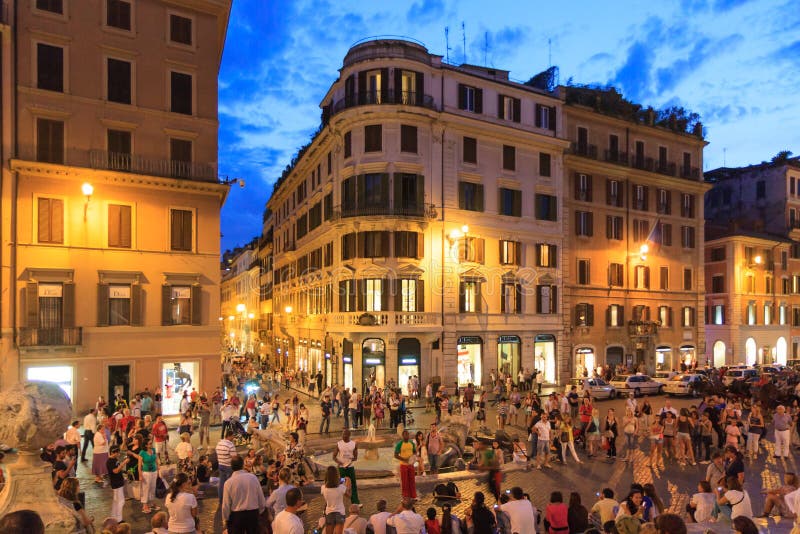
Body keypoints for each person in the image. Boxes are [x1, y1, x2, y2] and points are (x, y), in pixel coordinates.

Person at [222, 455, 266, 534]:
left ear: (232, 467)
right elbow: (261, 498)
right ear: (242, 465)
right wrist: (260, 511)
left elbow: (226, 505)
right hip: (253, 514)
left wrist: (226, 519)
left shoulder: (228, 483)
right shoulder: (253, 478)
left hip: (237, 517)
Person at [127, 435, 159, 514]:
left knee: (152, 487)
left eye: (151, 443)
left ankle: (151, 503)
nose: (151, 444)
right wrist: (140, 475)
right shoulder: (142, 452)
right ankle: (144, 505)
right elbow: (139, 465)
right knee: (145, 489)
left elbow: (157, 459)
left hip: (154, 471)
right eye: (150, 443)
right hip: (146, 472)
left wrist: (158, 468)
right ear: (146, 445)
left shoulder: (153, 450)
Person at [322, 465, 351, 534]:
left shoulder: (323, 488)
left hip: (329, 512)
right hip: (340, 512)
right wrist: (348, 483)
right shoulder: (341, 488)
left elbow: (328, 483)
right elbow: (349, 495)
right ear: (337, 476)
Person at [333, 429, 359, 504]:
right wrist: (339, 463)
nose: (343, 436)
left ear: (349, 435)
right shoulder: (339, 444)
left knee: (353, 484)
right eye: (342, 435)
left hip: (350, 468)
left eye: (345, 435)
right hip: (342, 469)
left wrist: (351, 461)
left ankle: (355, 502)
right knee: (341, 483)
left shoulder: (354, 444)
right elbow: (334, 457)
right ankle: (339, 501)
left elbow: (356, 457)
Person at [106, 446, 129, 522]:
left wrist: (125, 472)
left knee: (116, 501)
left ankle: (113, 516)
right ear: (113, 452)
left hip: (118, 482)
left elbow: (118, 469)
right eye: (117, 452)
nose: (119, 454)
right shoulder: (109, 461)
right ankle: (119, 519)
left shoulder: (114, 459)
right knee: (121, 501)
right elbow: (115, 471)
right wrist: (124, 463)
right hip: (116, 483)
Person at [216, 429, 238, 503]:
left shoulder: (219, 443)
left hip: (221, 465)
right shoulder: (230, 445)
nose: (233, 438)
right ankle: (229, 500)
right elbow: (234, 458)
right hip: (228, 466)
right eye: (233, 436)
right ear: (230, 436)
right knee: (230, 484)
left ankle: (221, 500)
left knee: (221, 483)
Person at [394, 430, 417, 499]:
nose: (407, 436)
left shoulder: (411, 443)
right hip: (403, 465)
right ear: (402, 436)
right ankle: (405, 496)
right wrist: (404, 459)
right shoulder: (399, 444)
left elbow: (415, 452)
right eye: (405, 435)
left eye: (407, 434)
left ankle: (413, 496)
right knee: (405, 482)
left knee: (412, 481)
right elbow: (395, 455)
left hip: (411, 465)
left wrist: (413, 458)